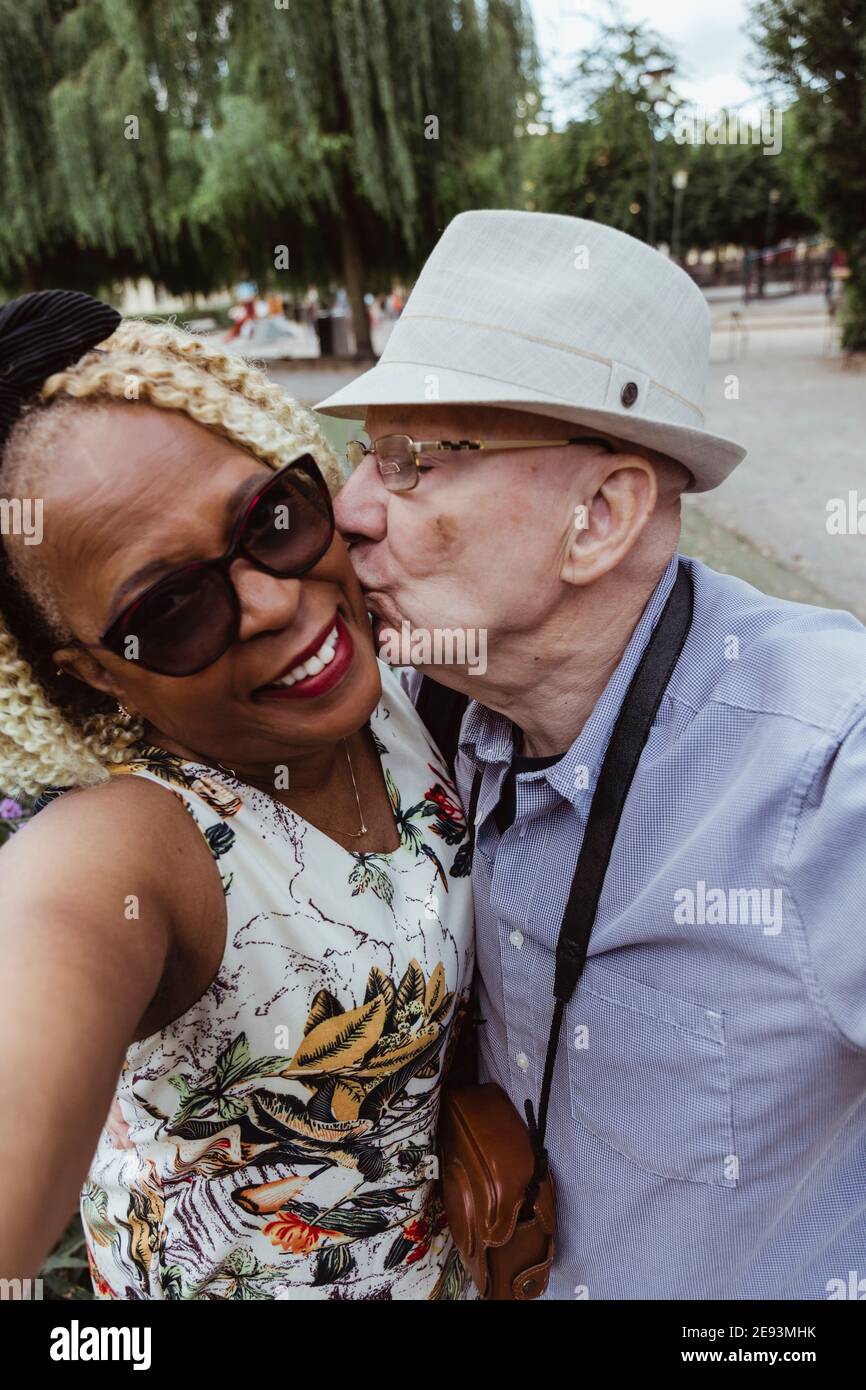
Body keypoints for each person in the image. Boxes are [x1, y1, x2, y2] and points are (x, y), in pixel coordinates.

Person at [320, 209, 866, 1300]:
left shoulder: (827, 771)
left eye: (409, 461)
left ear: (599, 515)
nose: (350, 510)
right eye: (357, 456)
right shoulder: (428, 709)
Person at [0, 292, 474, 1300]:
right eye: (167, 609)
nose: (270, 601)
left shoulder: (398, 682)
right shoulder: (129, 848)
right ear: (87, 672)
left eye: (272, 516)